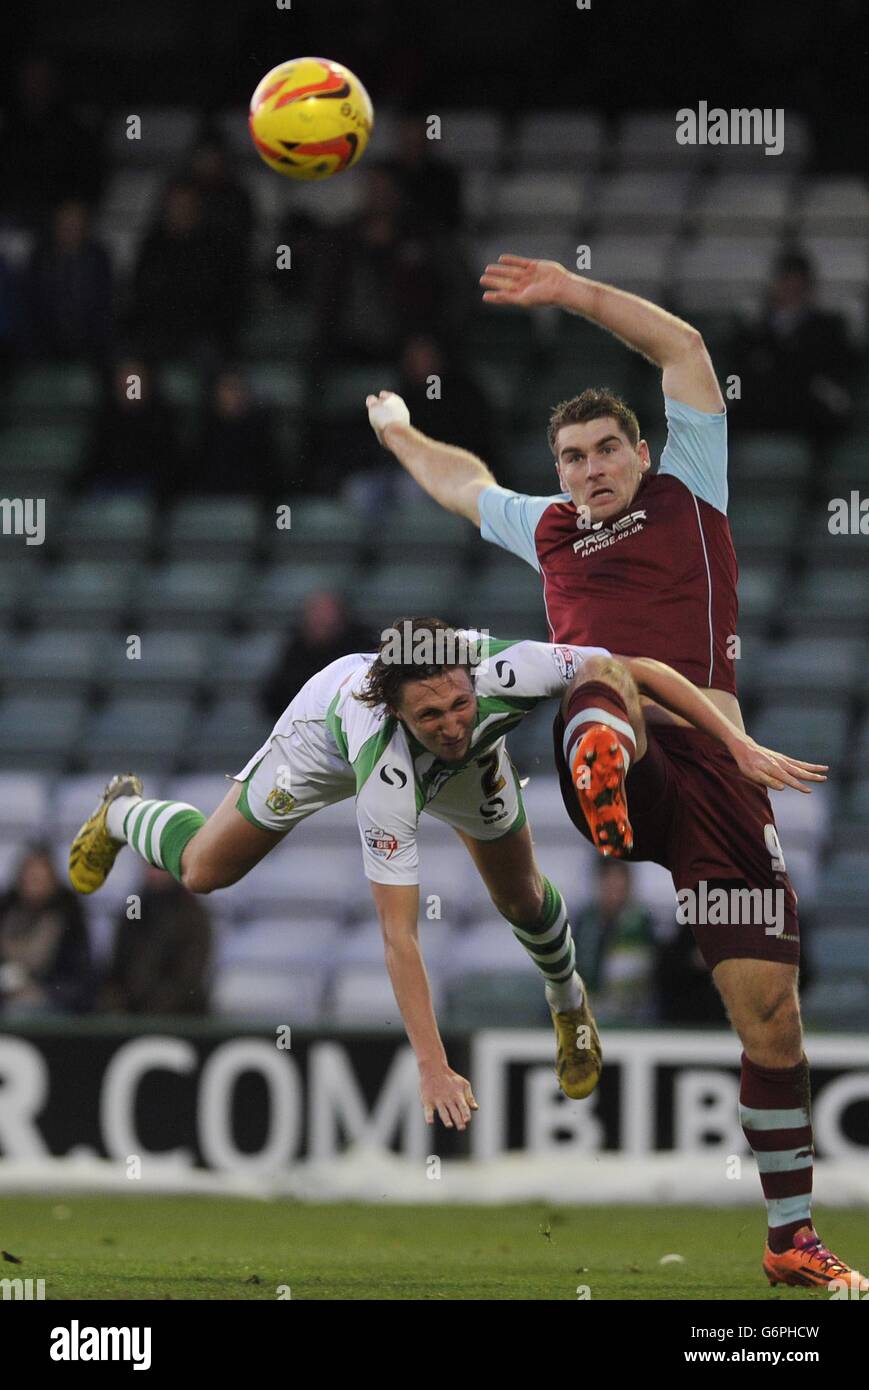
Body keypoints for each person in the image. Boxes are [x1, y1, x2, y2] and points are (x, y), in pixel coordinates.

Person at [366, 252, 867, 1291]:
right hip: (615, 734)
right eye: (570, 457)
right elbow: (465, 487)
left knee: (768, 1012)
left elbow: (681, 348)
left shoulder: (692, 492)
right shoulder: (547, 530)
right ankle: (599, 760)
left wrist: (573, 293)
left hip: (718, 766)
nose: (588, 470)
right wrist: (403, 435)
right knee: (598, 677)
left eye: (604, 449)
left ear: (641, 450)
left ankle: (788, 1238)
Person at [67, 618, 808, 1132]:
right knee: (202, 871)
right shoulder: (383, 767)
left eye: (459, 703)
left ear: (470, 677)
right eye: (431, 715)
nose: (452, 721)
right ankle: (123, 811)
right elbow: (398, 936)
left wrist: (733, 742)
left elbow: (626, 673)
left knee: (519, 895)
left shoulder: (499, 673)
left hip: (461, 776)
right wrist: (432, 1065)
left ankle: (568, 1004)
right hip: (318, 749)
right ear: (397, 711)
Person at [727, 249, 857, 442]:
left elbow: (837, 376)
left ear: (808, 288)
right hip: (761, 404)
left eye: (798, 286)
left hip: (807, 409)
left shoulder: (827, 330)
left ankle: (818, 470)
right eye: (786, 284)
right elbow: (735, 374)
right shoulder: (752, 330)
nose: (791, 292)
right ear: (775, 285)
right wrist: (733, 396)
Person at [101, 864, 211, 1016]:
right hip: (133, 1010)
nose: (153, 872)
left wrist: (152, 1009)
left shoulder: (191, 912)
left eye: (159, 866)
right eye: (148, 865)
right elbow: (119, 962)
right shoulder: (135, 907)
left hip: (180, 1015)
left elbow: (188, 977)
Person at [0, 845, 92, 1015]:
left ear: (52, 881)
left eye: (41, 879)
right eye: (31, 878)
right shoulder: (7, 911)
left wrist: (43, 993)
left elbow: (78, 979)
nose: (35, 886)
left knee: (20, 1013)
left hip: (53, 1002)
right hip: (6, 998)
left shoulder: (69, 917)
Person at [261, 590, 373, 724]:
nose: (322, 618)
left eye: (328, 612)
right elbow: (274, 696)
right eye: (317, 612)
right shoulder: (296, 648)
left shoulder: (361, 644)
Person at [572, 858, 657, 1023]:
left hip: (633, 1012)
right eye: (609, 884)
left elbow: (643, 970)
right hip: (589, 1009)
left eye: (619, 885)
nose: (614, 892)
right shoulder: (585, 922)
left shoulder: (641, 923)